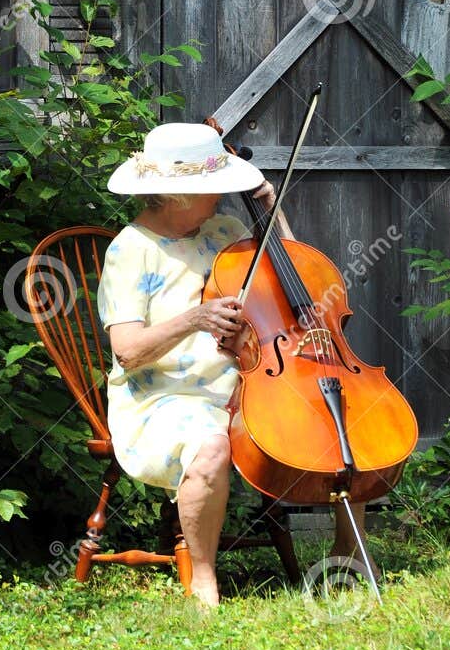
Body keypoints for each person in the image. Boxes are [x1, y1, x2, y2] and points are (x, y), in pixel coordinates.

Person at [97, 122, 365, 607]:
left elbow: (290, 276)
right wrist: (195, 318)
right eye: (211, 187)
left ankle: (349, 550)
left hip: (243, 378)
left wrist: (270, 209)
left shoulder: (224, 229)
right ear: (177, 195)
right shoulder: (129, 251)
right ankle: (204, 576)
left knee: (339, 410)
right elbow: (128, 352)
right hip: (162, 397)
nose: (223, 194)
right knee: (210, 445)